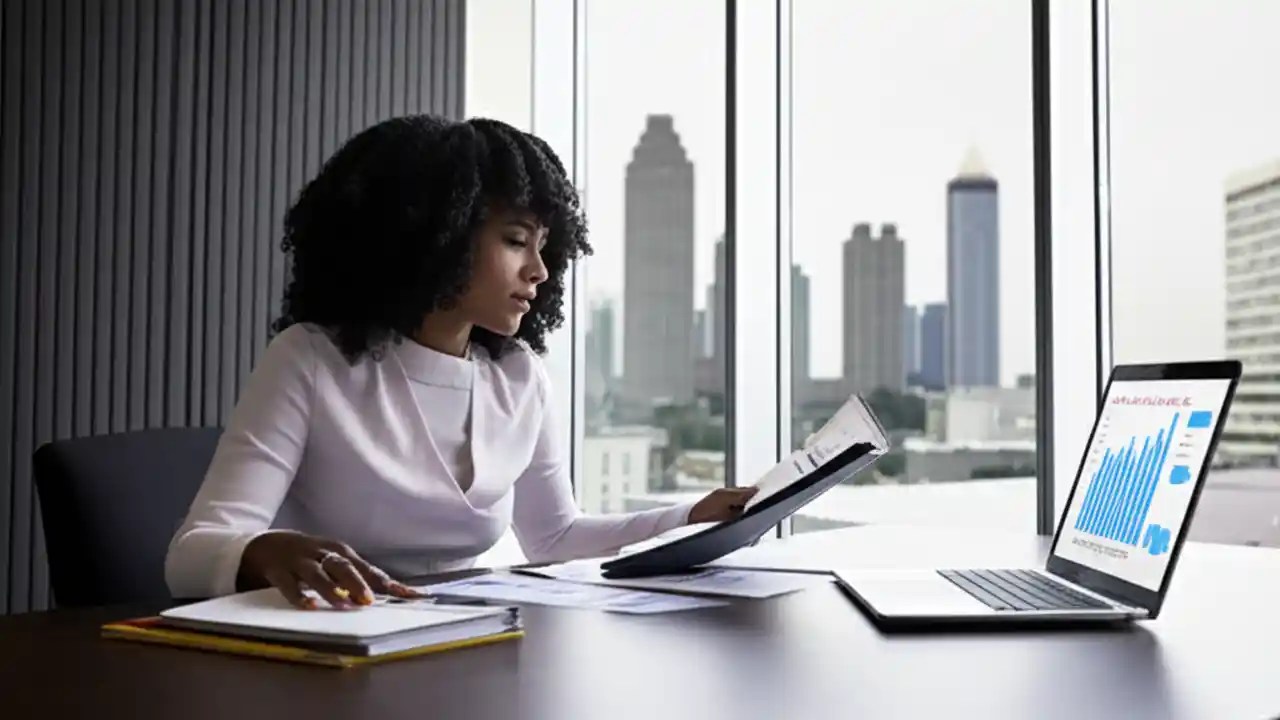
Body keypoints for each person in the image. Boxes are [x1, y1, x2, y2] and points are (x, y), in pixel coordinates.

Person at [164, 115, 755, 609]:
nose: (539, 271)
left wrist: (690, 517)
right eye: (516, 241)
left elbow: (555, 537)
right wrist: (265, 550)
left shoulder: (520, 377)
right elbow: (192, 553)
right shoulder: (311, 360)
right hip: (329, 654)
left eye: (544, 247)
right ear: (436, 233)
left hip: (460, 648)